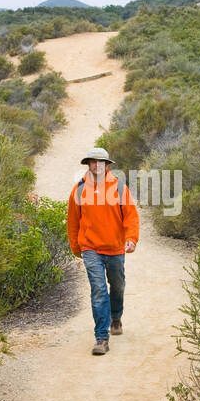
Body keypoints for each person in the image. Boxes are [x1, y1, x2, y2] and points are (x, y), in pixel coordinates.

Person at [66, 146, 139, 355]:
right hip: (90, 248)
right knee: (98, 290)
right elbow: (73, 221)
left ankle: (116, 316)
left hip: (115, 247)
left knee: (117, 286)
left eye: (101, 162)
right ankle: (101, 337)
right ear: (88, 164)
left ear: (107, 165)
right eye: (93, 161)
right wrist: (76, 246)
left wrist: (131, 239)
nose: (96, 165)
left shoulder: (119, 187)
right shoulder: (79, 189)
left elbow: (131, 216)